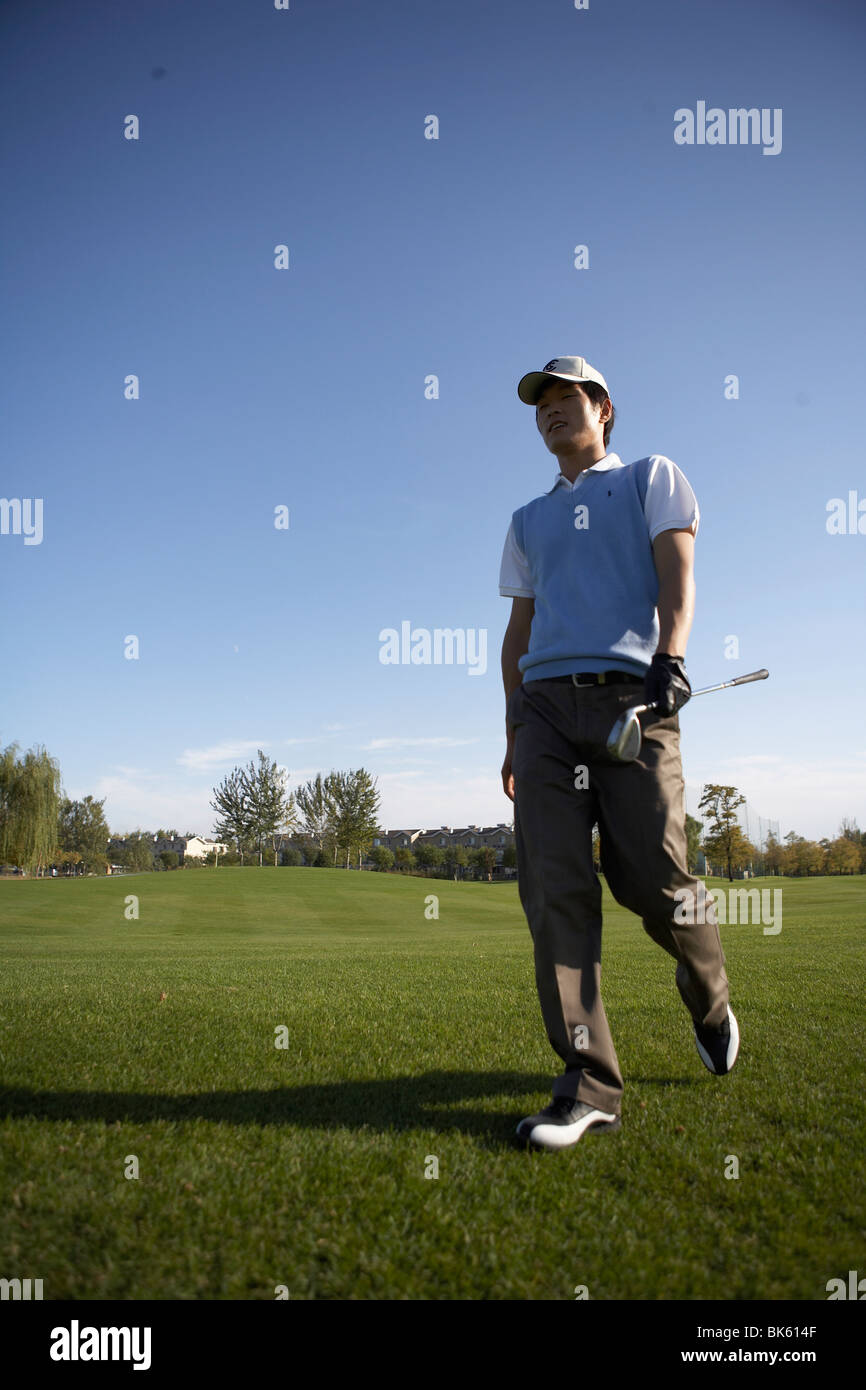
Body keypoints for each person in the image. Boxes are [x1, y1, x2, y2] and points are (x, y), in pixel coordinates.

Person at [499, 355, 738, 1151]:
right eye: (540, 405)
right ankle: (589, 1084)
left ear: (602, 407)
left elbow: (679, 571)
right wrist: (513, 728)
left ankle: (707, 994)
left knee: (655, 880)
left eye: (565, 399)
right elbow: (519, 632)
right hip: (543, 711)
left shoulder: (649, 477)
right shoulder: (528, 518)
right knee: (555, 888)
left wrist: (672, 655)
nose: (549, 413)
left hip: (632, 700)